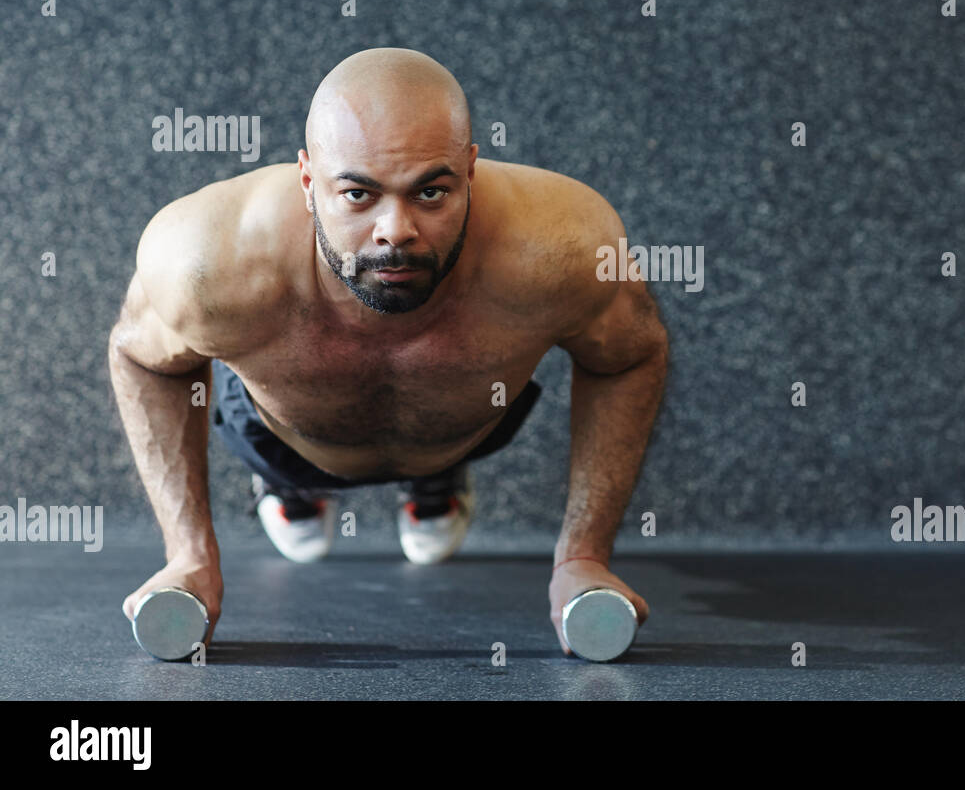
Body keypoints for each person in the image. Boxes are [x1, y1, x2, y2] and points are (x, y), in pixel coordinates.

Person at [109, 48, 666, 654]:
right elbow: (143, 358)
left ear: (470, 173)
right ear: (307, 181)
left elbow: (628, 357)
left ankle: (436, 478)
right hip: (287, 438)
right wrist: (187, 554)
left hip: (465, 422)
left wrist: (584, 556)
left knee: (447, 392)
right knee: (288, 451)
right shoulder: (205, 257)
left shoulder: (564, 244)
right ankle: (287, 489)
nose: (395, 230)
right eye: (357, 195)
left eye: (430, 193)